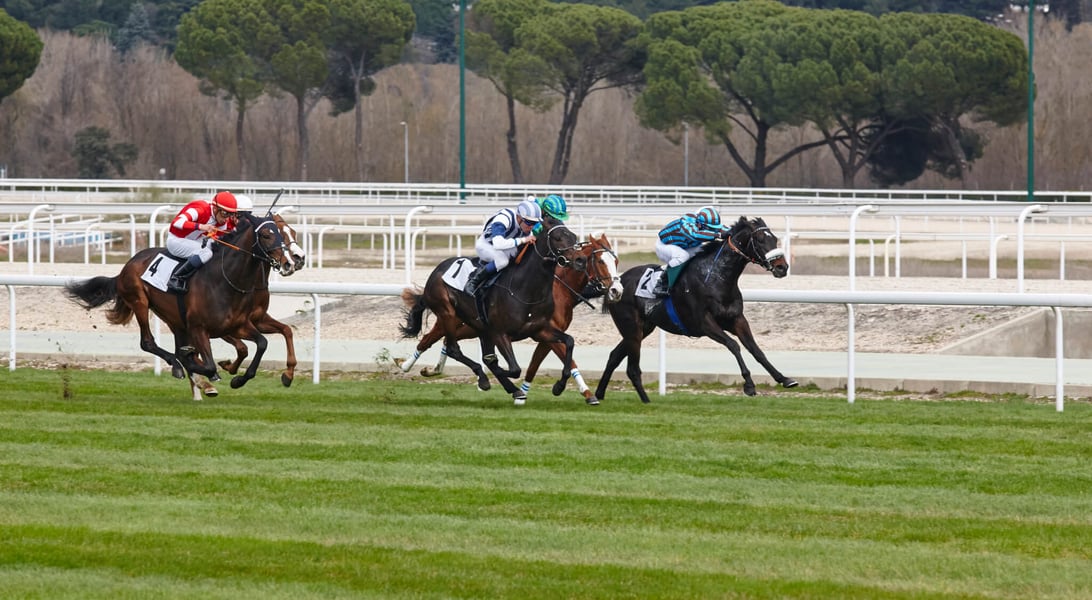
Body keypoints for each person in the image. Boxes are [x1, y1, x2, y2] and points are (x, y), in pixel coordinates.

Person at [464, 198, 543, 296]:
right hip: (487, 245)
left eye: (535, 223)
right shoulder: (504, 218)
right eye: (529, 222)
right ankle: (473, 282)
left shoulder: (526, 227)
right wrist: (523, 240)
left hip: (505, 247)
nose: (531, 227)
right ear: (519, 217)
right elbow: (498, 244)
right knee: (503, 261)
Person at [165, 190, 239, 293]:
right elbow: (176, 222)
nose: (226, 219)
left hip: (193, 240)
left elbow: (223, 237)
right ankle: (176, 278)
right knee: (206, 253)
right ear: (215, 208)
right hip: (176, 240)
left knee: (218, 249)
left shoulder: (221, 220)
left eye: (230, 215)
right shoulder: (200, 209)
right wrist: (201, 226)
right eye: (224, 213)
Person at [652, 206, 727, 296]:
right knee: (682, 256)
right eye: (710, 228)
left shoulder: (704, 224)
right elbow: (694, 234)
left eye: (714, 228)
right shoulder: (686, 221)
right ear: (699, 224)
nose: (712, 230)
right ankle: (661, 284)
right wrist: (718, 235)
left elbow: (725, 230)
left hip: (685, 246)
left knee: (705, 252)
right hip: (665, 245)